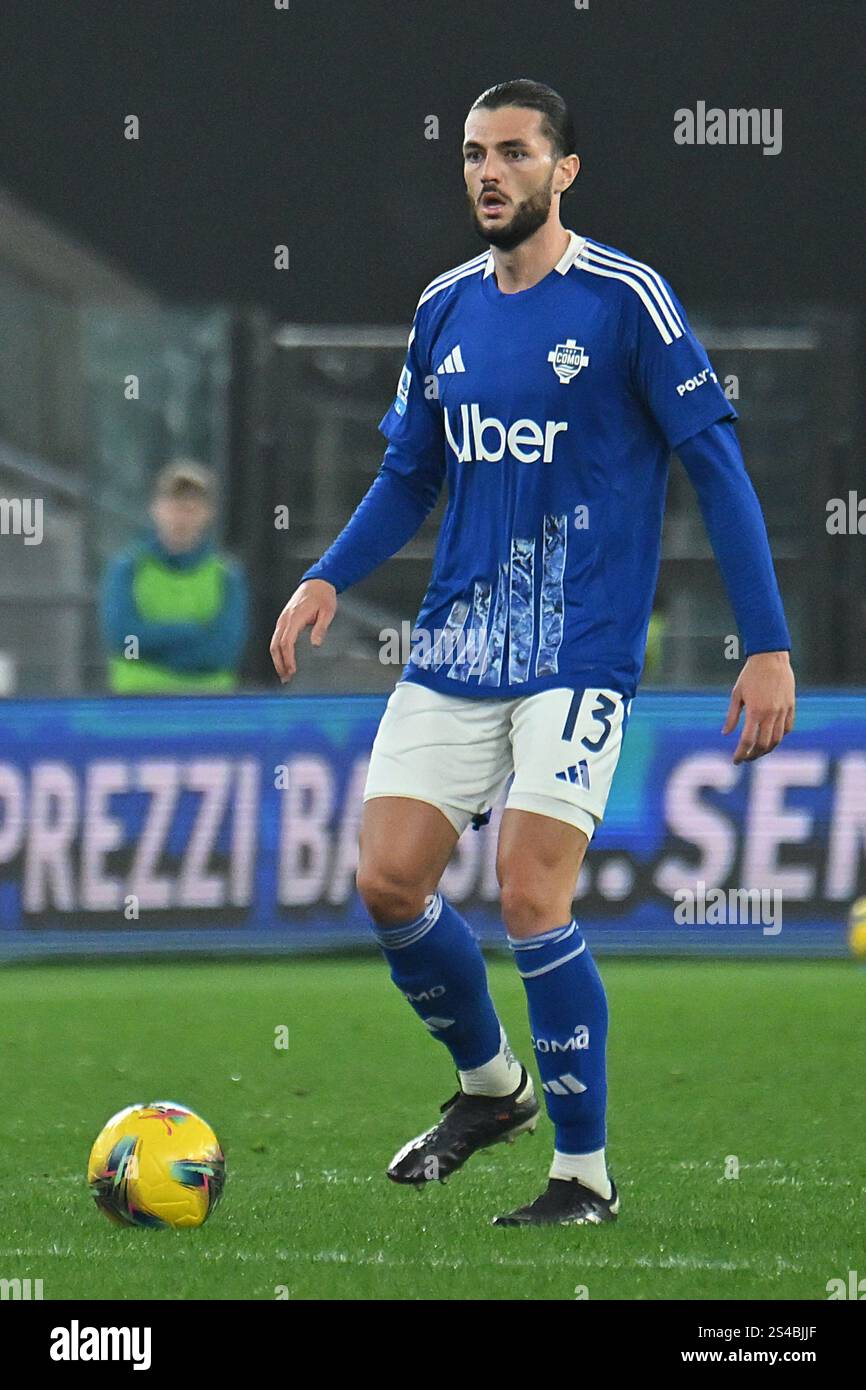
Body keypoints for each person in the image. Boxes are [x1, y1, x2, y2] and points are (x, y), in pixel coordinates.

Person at [270, 80, 796, 1227]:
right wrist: (325, 575)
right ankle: (489, 1088)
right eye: (471, 153)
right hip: (456, 646)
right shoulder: (444, 306)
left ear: (563, 171)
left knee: (527, 894)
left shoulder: (625, 301)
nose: (485, 172)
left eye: (511, 152)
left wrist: (765, 644)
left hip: (577, 653)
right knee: (386, 880)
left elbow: (715, 467)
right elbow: (410, 470)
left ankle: (581, 1175)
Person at [101, 459, 248, 693]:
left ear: (208, 513)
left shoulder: (226, 574)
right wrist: (193, 631)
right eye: (174, 506)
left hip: (208, 709)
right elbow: (125, 640)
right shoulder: (128, 568)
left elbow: (222, 652)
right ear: (155, 509)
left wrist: (153, 650)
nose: (182, 517)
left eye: (191, 508)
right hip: (138, 706)